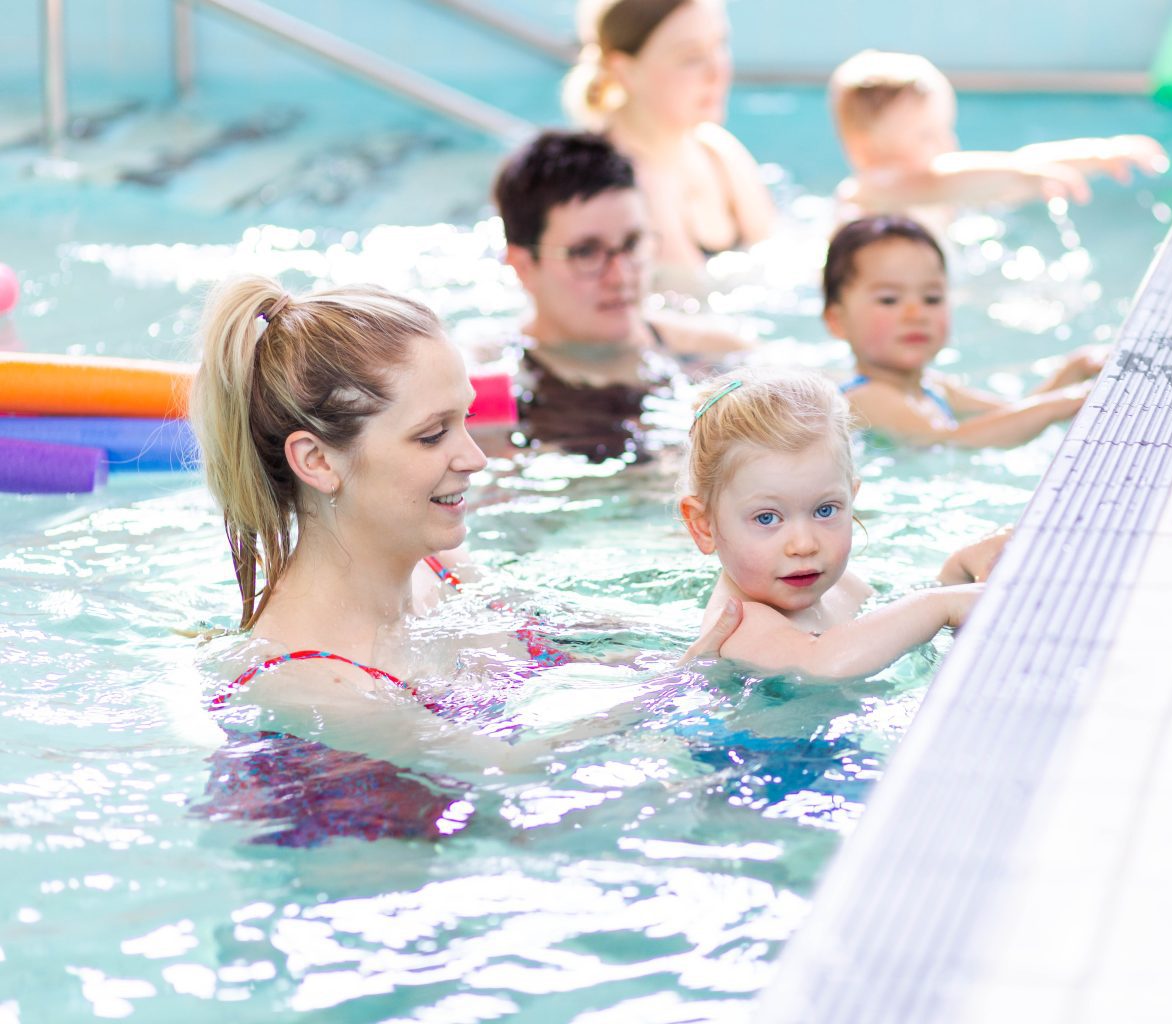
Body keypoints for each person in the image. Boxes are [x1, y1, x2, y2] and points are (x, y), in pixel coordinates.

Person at [187, 276, 741, 841]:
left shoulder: (443, 570)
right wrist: (687, 675)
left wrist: (735, 619)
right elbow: (510, 772)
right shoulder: (308, 682)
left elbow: (597, 634)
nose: (474, 458)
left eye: (466, 420)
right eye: (432, 436)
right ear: (318, 461)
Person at [677, 369, 1002, 678]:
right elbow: (821, 663)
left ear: (852, 497)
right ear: (703, 526)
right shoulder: (740, 622)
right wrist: (941, 604)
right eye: (767, 518)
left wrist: (956, 573)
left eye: (825, 510)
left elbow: (894, 623)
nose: (804, 544)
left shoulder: (838, 584)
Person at [492, 129, 748, 461]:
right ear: (523, 265)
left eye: (631, 244)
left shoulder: (717, 353)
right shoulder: (490, 382)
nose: (621, 276)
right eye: (586, 252)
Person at [824, 215, 1104, 447]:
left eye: (932, 298)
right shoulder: (866, 399)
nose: (916, 314)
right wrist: (1063, 403)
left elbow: (1008, 415)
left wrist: (1074, 370)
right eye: (889, 299)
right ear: (837, 320)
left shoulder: (935, 387)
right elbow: (953, 442)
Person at [829, 50, 1169, 223]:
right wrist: (1019, 171)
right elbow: (999, 172)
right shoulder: (871, 189)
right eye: (926, 135)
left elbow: (1009, 175)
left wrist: (1096, 155)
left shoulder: (944, 179)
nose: (945, 144)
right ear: (864, 145)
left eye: (945, 128)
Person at [563, 0, 774, 273]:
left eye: (720, 44)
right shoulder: (616, 186)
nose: (717, 71)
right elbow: (691, 295)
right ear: (624, 71)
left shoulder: (716, 151)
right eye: (691, 58)